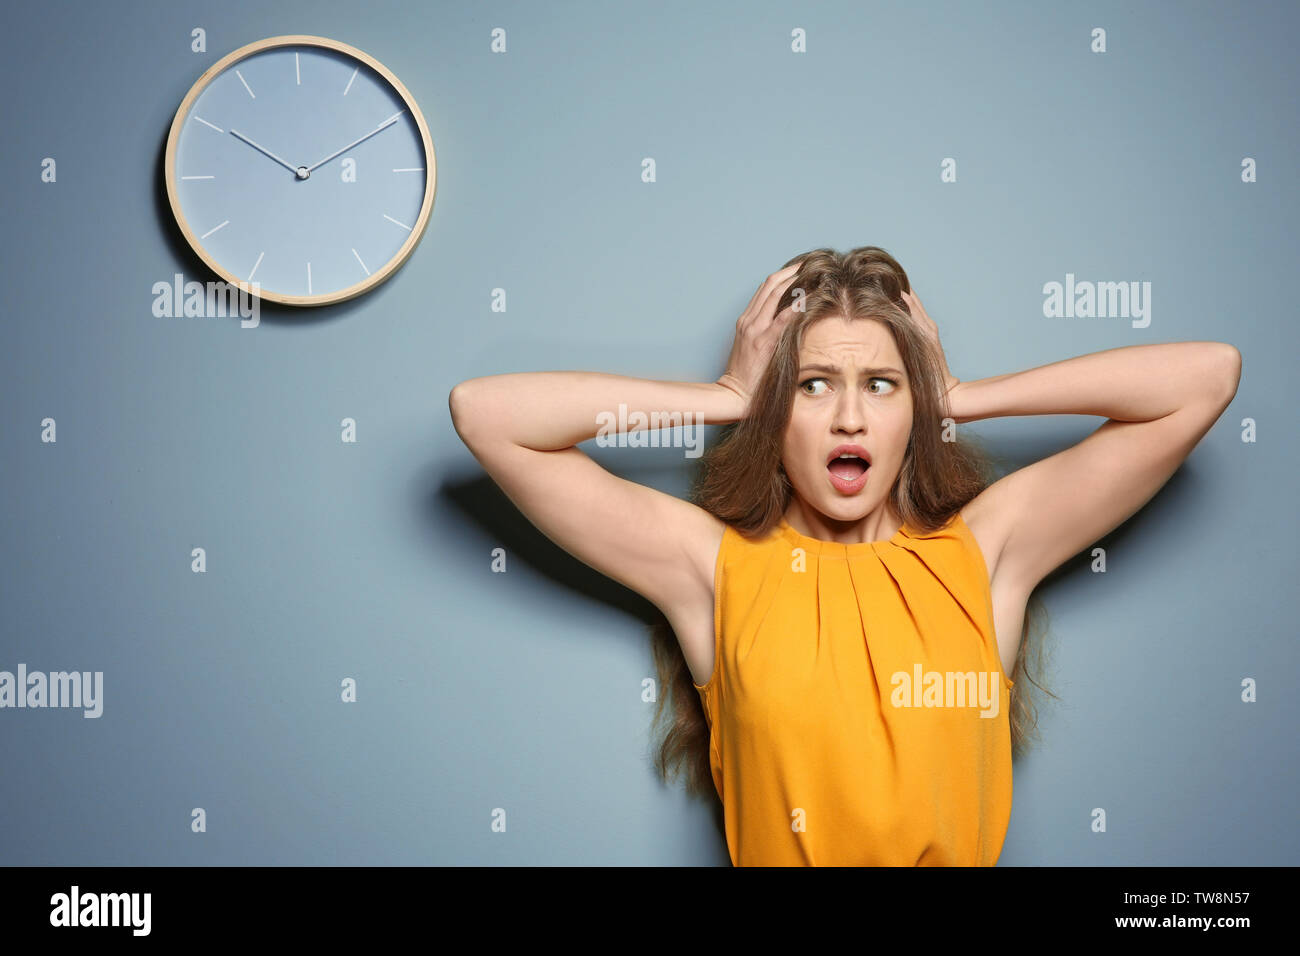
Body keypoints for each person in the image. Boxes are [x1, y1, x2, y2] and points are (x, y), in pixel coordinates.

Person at [448, 245, 1241, 865]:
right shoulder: (714, 568)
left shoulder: (984, 553)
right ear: (775, 412)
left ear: (913, 411)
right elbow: (488, 415)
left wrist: (957, 393)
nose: (850, 419)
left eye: (885, 385)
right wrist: (726, 396)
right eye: (815, 384)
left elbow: (1205, 377)